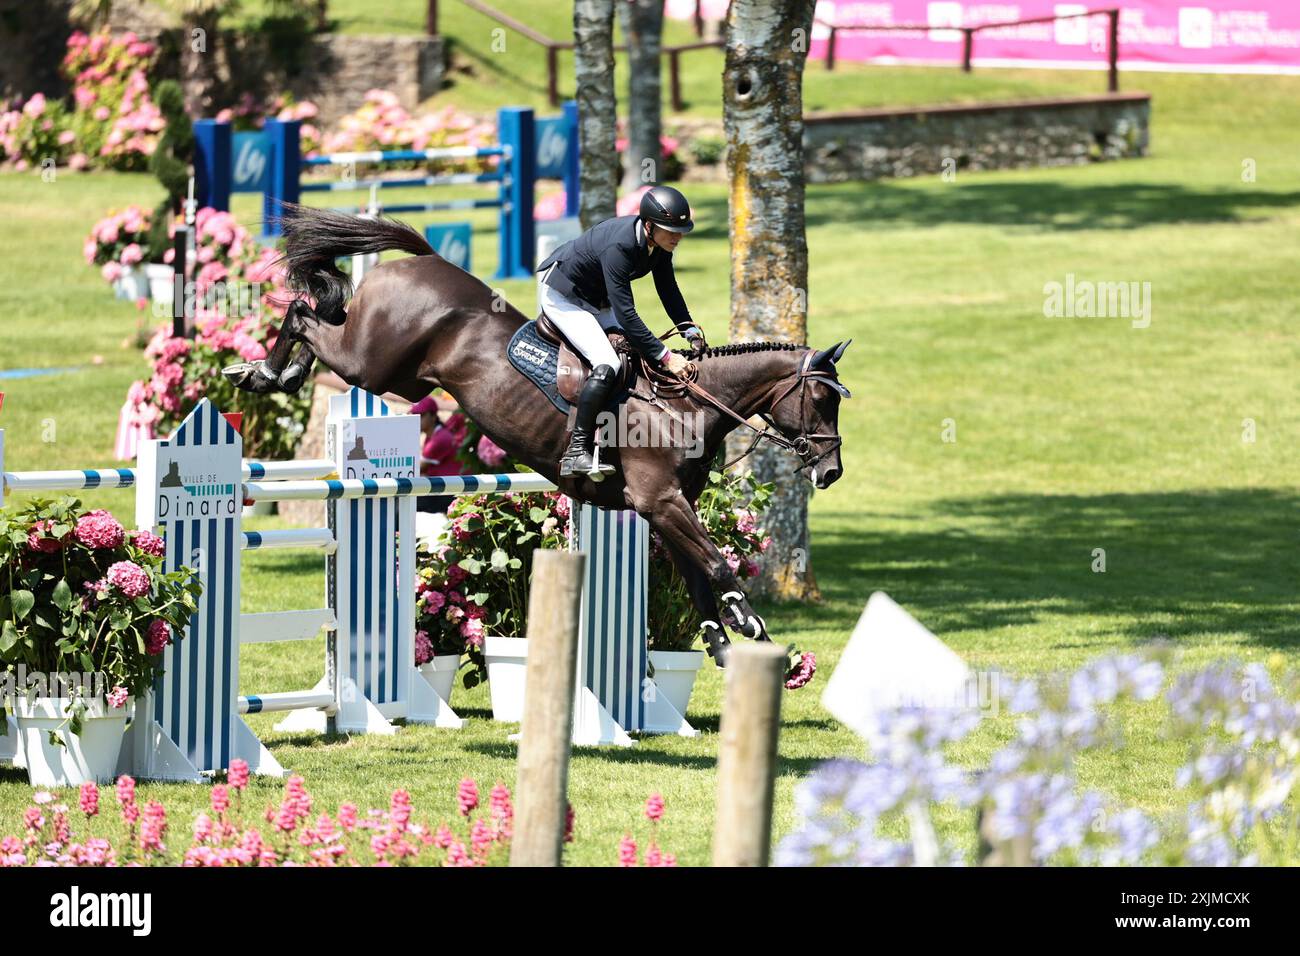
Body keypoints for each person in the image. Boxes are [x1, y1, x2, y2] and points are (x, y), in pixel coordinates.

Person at [535, 185, 708, 479]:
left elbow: (668, 289)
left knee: (631, 355)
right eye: (671, 230)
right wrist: (666, 357)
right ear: (650, 226)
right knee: (608, 363)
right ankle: (576, 452)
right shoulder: (621, 246)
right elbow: (627, 315)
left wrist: (688, 328)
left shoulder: (659, 245)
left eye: (681, 231)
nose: (678, 237)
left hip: (597, 299)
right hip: (564, 297)